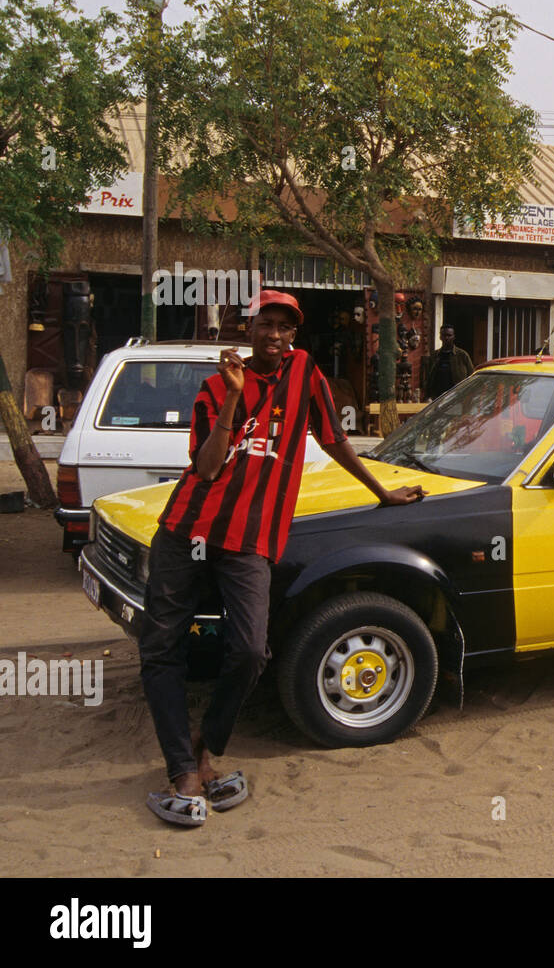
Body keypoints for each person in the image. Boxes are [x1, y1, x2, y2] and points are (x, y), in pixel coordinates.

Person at [140, 290, 424, 827]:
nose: (276, 335)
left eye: (285, 328)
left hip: (251, 539)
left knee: (250, 651)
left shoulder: (304, 373)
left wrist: (380, 492)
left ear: (294, 334)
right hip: (187, 531)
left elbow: (334, 438)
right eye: (266, 324)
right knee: (163, 649)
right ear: (249, 329)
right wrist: (232, 398)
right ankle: (182, 769)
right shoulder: (213, 387)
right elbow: (204, 468)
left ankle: (204, 746)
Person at [424, 324, 474, 399]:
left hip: (457, 396)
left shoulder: (462, 355)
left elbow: (471, 376)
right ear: (440, 337)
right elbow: (428, 377)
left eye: (449, 335)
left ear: (453, 337)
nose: (446, 338)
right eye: (444, 335)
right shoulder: (434, 355)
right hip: (438, 397)